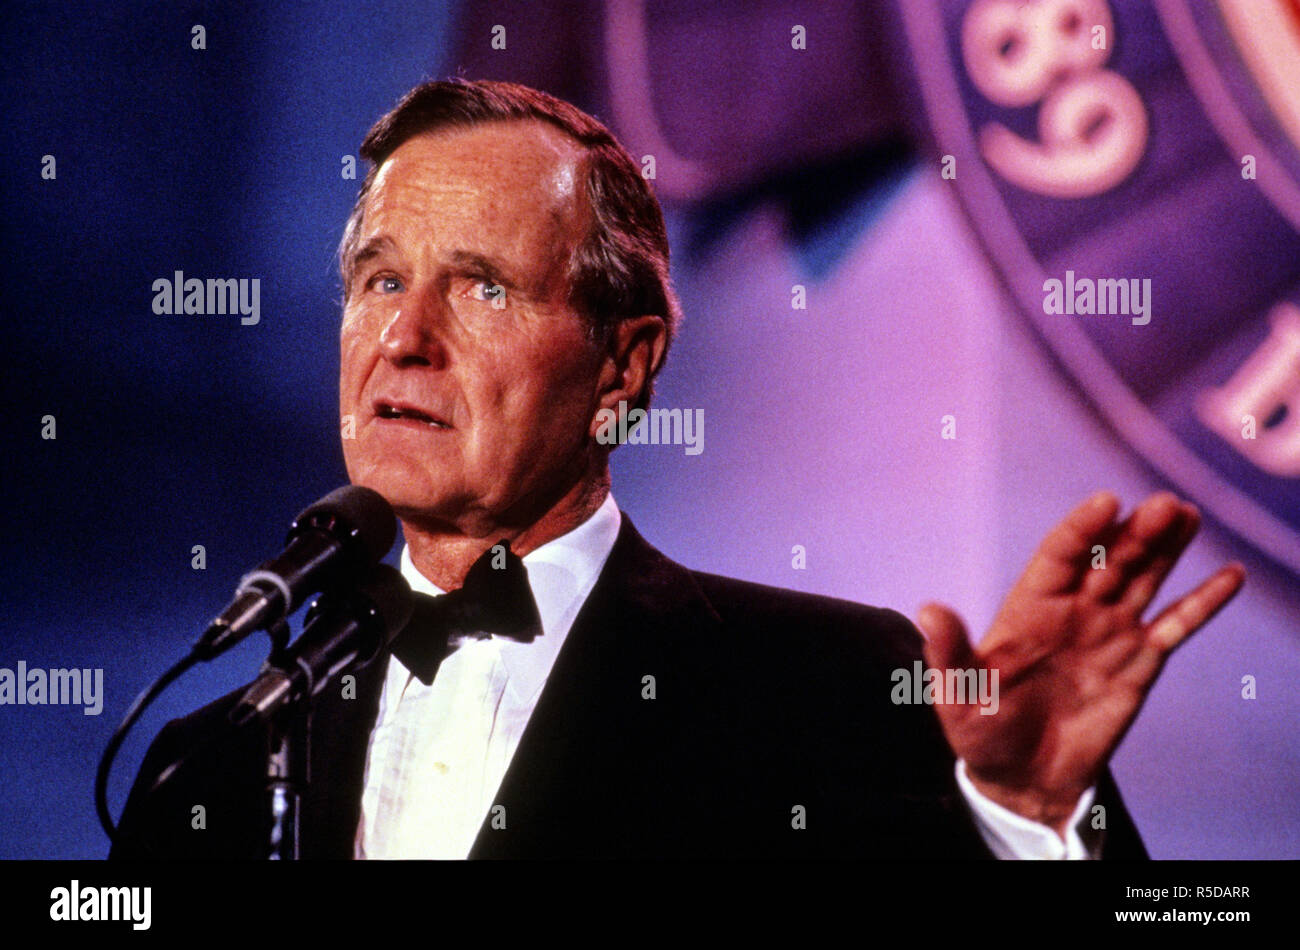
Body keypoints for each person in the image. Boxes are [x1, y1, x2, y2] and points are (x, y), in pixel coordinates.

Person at [110, 79, 1244, 860]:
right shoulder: (203, 764)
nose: (403, 337)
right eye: (378, 280)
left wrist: (1025, 817)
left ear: (625, 361)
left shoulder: (840, 689)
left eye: (481, 286)